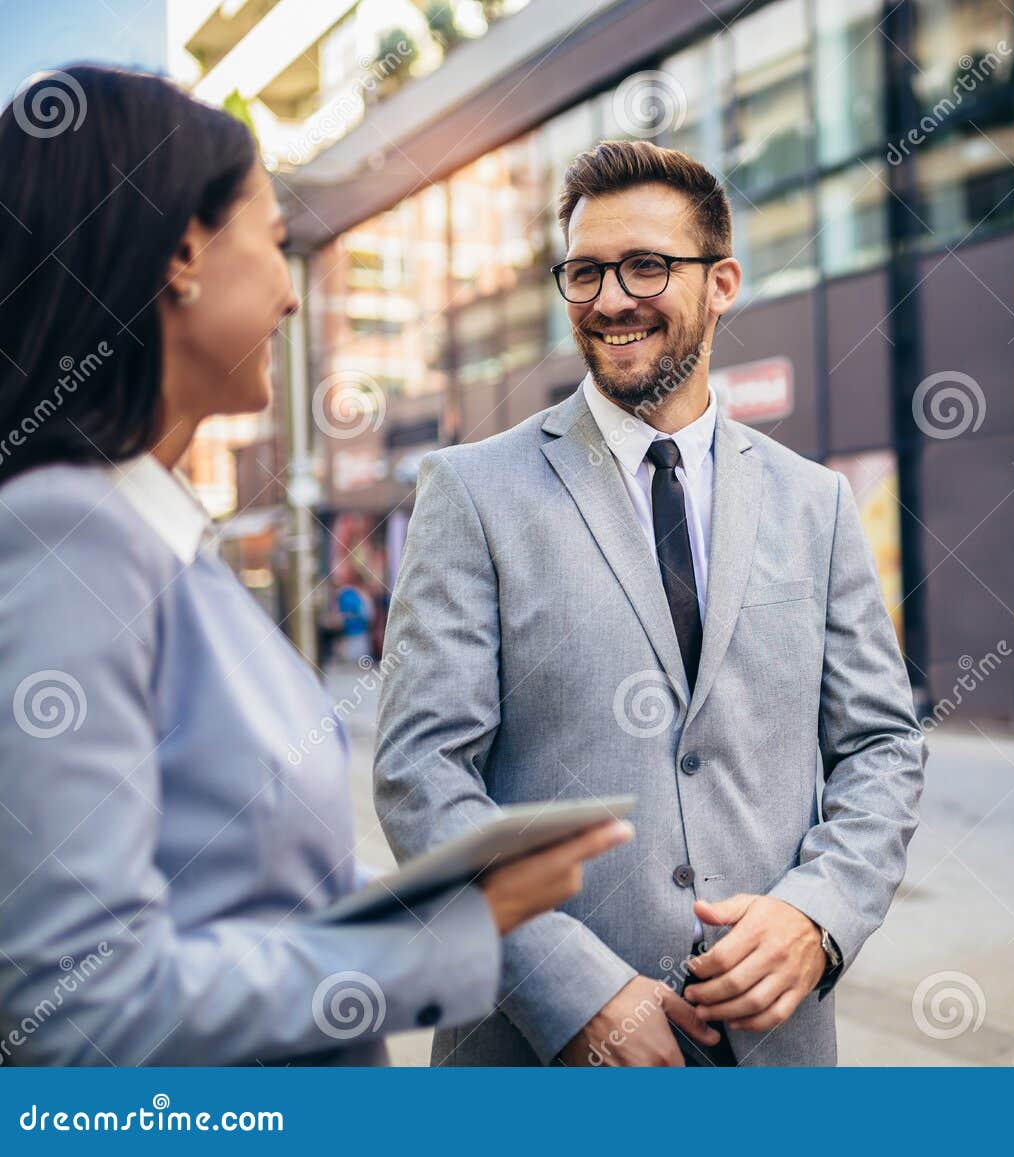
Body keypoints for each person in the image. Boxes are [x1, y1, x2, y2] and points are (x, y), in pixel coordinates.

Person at [0, 65, 631, 1066]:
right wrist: (442, 935)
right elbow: (81, 1010)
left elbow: (228, 909)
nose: (292, 294)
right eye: (276, 244)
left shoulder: (170, 547)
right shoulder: (70, 535)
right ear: (182, 253)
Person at [375, 140, 924, 1067]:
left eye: (646, 266)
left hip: (772, 1054)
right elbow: (421, 774)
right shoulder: (472, 491)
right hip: (533, 1057)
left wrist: (816, 916)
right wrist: (571, 988)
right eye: (584, 272)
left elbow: (881, 745)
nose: (610, 299)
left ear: (722, 283)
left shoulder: (815, 503)